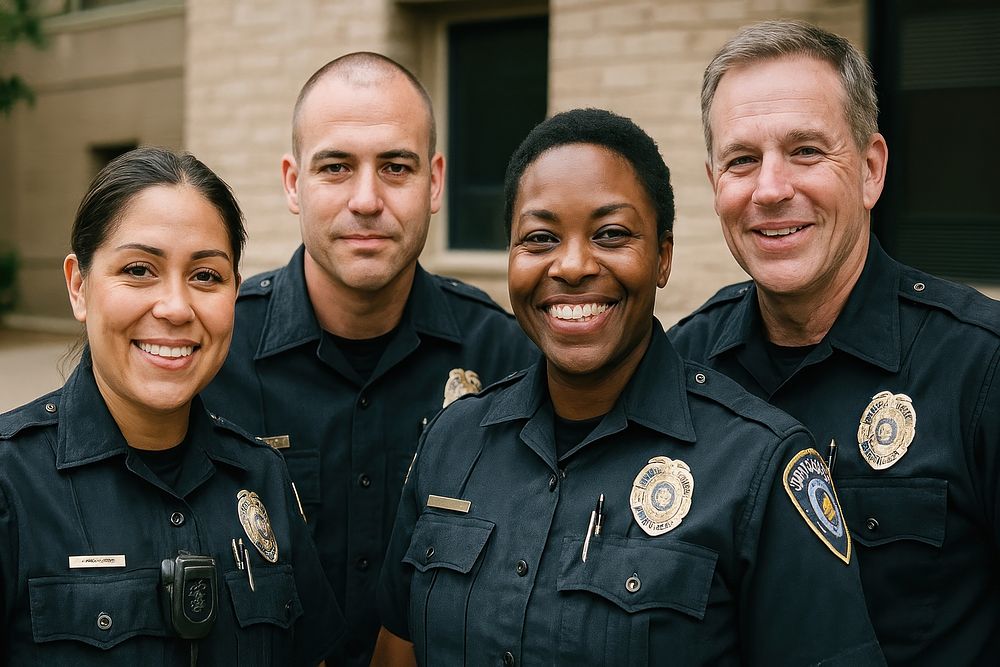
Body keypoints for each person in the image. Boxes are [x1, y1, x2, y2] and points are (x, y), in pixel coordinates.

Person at [372, 108, 884, 665]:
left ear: (662, 257)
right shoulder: (454, 441)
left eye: (611, 234)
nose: (570, 266)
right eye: (539, 238)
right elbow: (397, 652)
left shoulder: (757, 465)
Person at [667, 20, 1000, 665]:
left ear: (871, 170)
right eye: (742, 160)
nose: (769, 189)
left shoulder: (980, 371)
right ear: (714, 185)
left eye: (806, 151)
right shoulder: (681, 367)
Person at [201, 52, 536, 665]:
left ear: (434, 183)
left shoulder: (508, 359)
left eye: (395, 167)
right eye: (335, 166)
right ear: (293, 183)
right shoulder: (213, 357)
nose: (366, 199)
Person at [0, 147, 343, 664]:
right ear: (79, 286)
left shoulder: (260, 474)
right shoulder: (11, 483)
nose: (177, 308)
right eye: (139, 270)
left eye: (206, 276)